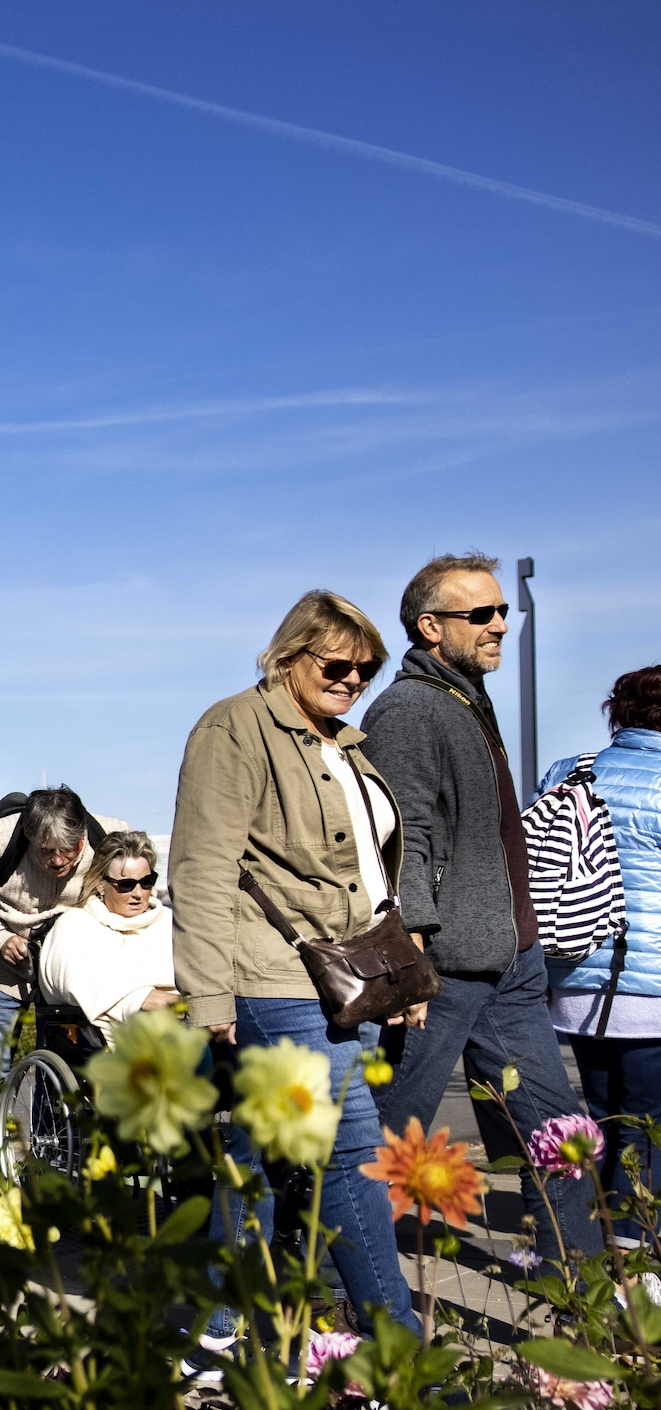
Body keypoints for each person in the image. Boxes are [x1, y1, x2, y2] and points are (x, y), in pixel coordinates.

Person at [170, 589, 418, 1335]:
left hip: (353, 976)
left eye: (367, 669)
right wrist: (209, 998)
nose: (353, 680)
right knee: (349, 1151)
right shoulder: (234, 727)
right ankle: (396, 1352)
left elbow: (367, 874)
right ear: (288, 655)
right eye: (337, 664)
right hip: (274, 975)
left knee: (255, 1154)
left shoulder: (346, 744)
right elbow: (201, 869)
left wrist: (403, 969)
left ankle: (218, 1328)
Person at [361, 554, 600, 1260]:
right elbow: (401, 837)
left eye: (502, 611)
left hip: (511, 962)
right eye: (481, 614)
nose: (500, 624)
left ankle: (579, 1291)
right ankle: (331, 1289)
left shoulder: (465, 699)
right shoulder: (409, 710)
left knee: (562, 1136)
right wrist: (412, 952)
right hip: (443, 970)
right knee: (380, 1142)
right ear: (431, 627)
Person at [540, 664, 661, 1243]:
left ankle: (596, 1240)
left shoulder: (569, 771)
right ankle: (634, 1257)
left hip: (575, 978)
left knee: (602, 1115)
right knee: (648, 1125)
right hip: (653, 990)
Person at [0, 787, 127, 1164]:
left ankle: (52, 1160)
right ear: (31, 837)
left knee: (61, 1068)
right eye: (46, 850)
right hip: (6, 966)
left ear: (82, 836)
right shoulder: (0, 838)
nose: (58, 860)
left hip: (67, 970)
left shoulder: (109, 837)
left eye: (69, 850)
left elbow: (133, 883)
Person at [36, 831, 178, 1035]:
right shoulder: (75, 926)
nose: (138, 893)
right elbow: (79, 982)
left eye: (147, 881)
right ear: (101, 884)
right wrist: (143, 999)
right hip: (114, 1039)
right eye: (126, 885)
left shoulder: (168, 922)